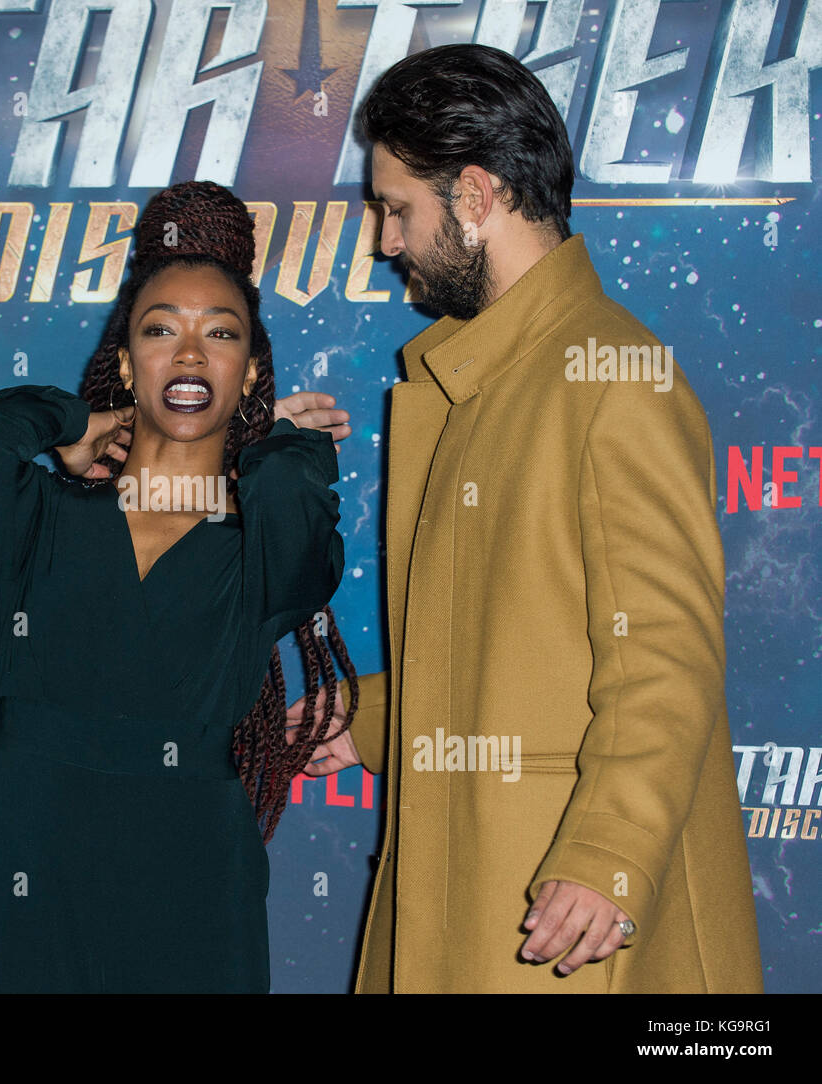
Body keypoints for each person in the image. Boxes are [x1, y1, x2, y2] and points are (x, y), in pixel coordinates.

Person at [303, 44, 762, 992]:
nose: (385, 241)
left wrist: (607, 853)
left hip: (557, 913)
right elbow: (514, 652)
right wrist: (370, 717)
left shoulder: (613, 379)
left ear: (474, 195)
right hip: (481, 878)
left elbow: (666, 657)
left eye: (397, 208)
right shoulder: (488, 380)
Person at [0, 181, 358, 993]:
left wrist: (284, 441)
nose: (190, 354)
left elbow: (296, 506)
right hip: (16, 860)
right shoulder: (43, 516)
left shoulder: (259, 552)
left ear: (250, 369)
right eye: (161, 330)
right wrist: (71, 421)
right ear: (127, 363)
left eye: (221, 334)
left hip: (189, 877)